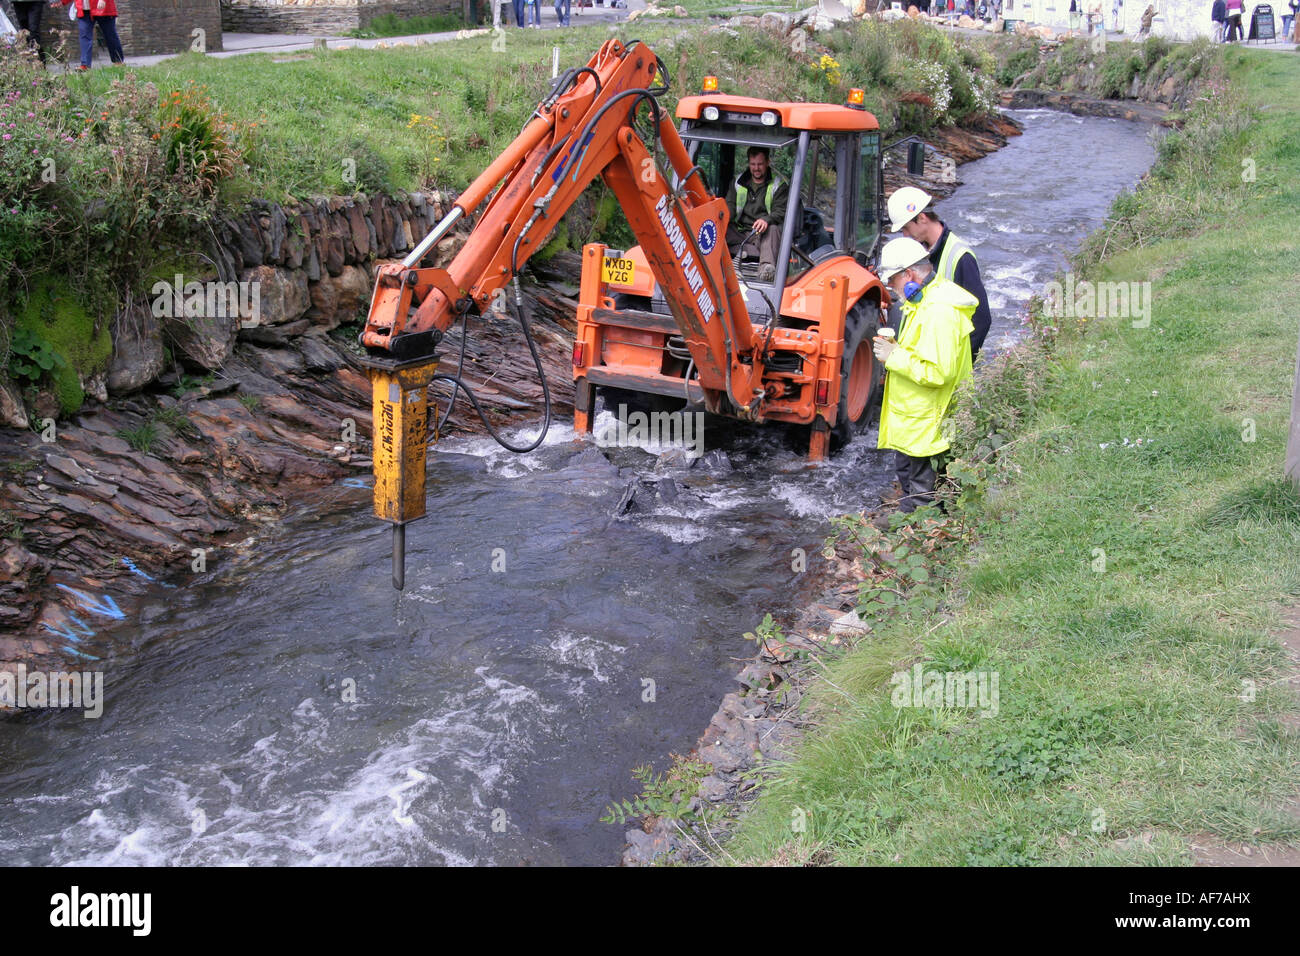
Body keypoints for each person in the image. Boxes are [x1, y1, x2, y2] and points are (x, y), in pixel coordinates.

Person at [873, 237, 975, 514]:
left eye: (892, 281)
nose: (892, 290)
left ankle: (918, 540)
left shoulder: (939, 311)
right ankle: (907, 528)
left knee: (922, 492)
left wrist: (893, 357)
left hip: (928, 420)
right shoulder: (925, 299)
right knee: (908, 479)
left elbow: (938, 372)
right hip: (916, 418)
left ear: (909, 274)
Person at [887, 185, 991, 361]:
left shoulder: (960, 257)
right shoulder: (919, 254)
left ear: (921, 218)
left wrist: (959, 363)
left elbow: (981, 320)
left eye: (905, 228)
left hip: (946, 366)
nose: (905, 235)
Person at [725, 146, 789, 283]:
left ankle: (766, 269)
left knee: (773, 230)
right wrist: (722, 219)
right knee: (717, 228)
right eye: (753, 164)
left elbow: (780, 211)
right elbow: (729, 206)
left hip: (762, 233)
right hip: (740, 231)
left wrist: (766, 220)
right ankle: (714, 266)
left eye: (760, 164)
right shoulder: (737, 182)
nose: (756, 168)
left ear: (768, 162)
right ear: (749, 163)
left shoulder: (779, 185)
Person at [57, 0, 124, 70]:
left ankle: (118, 61)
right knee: (84, 36)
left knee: (110, 35)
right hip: (84, 10)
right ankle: (85, 65)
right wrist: (63, 2)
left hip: (103, 8)